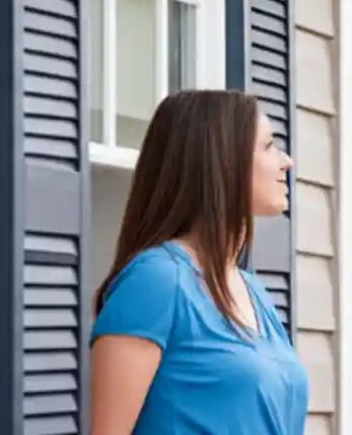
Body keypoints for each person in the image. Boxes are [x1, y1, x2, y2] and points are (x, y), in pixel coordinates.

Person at [89, 90, 309, 435]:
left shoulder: (251, 290)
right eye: (268, 147)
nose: (286, 161)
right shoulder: (156, 281)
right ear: (222, 162)